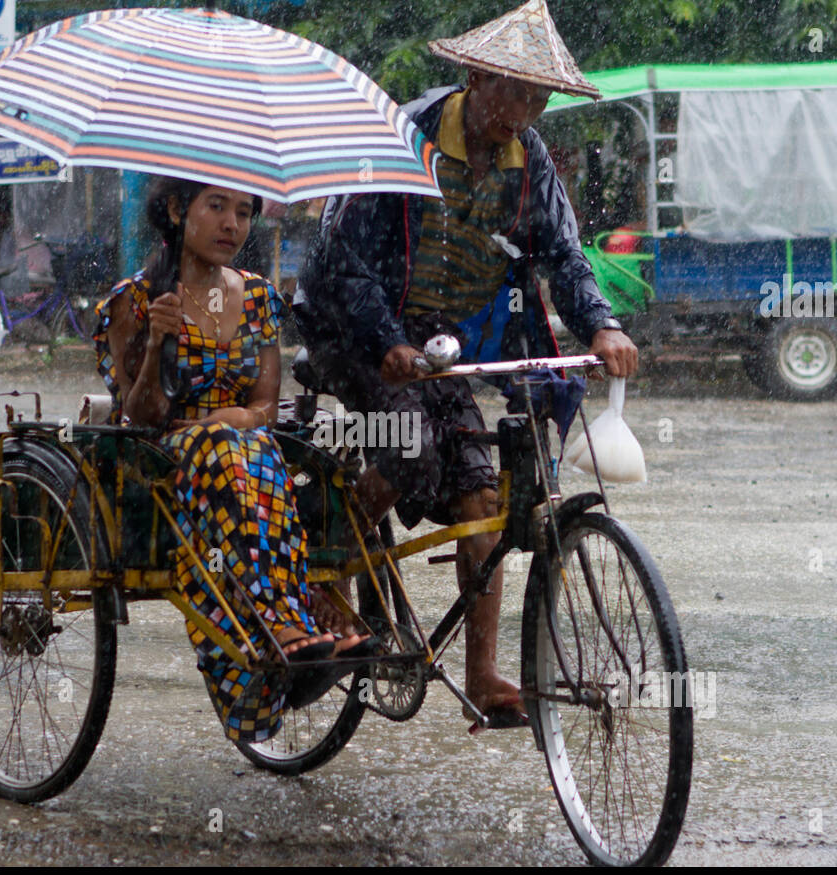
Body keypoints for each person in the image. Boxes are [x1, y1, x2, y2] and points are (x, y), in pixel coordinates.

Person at [294, 0, 639, 731]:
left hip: (436, 342)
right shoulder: (406, 132)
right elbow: (341, 257)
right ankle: (322, 561)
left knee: (486, 494)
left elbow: (563, 257)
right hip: (350, 326)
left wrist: (601, 325)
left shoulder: (530, 159)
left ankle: (482, 675)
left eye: (538, 98)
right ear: (477, 78)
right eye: (514, 92)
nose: (524, 111)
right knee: (412, 452)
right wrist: (384, 339)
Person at [93, 177, 372, 744]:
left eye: (243, 213)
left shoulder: (258, 296)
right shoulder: (134, 300)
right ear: (176, 210)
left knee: (274, 446)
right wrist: (154, 347)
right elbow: (139, 415)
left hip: (244, 448)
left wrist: (236, 419)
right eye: (216, 207)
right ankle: (284, 614)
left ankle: (297, 610)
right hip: (165, 458)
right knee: (225, 447)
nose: (231, 226)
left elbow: (265, 405)